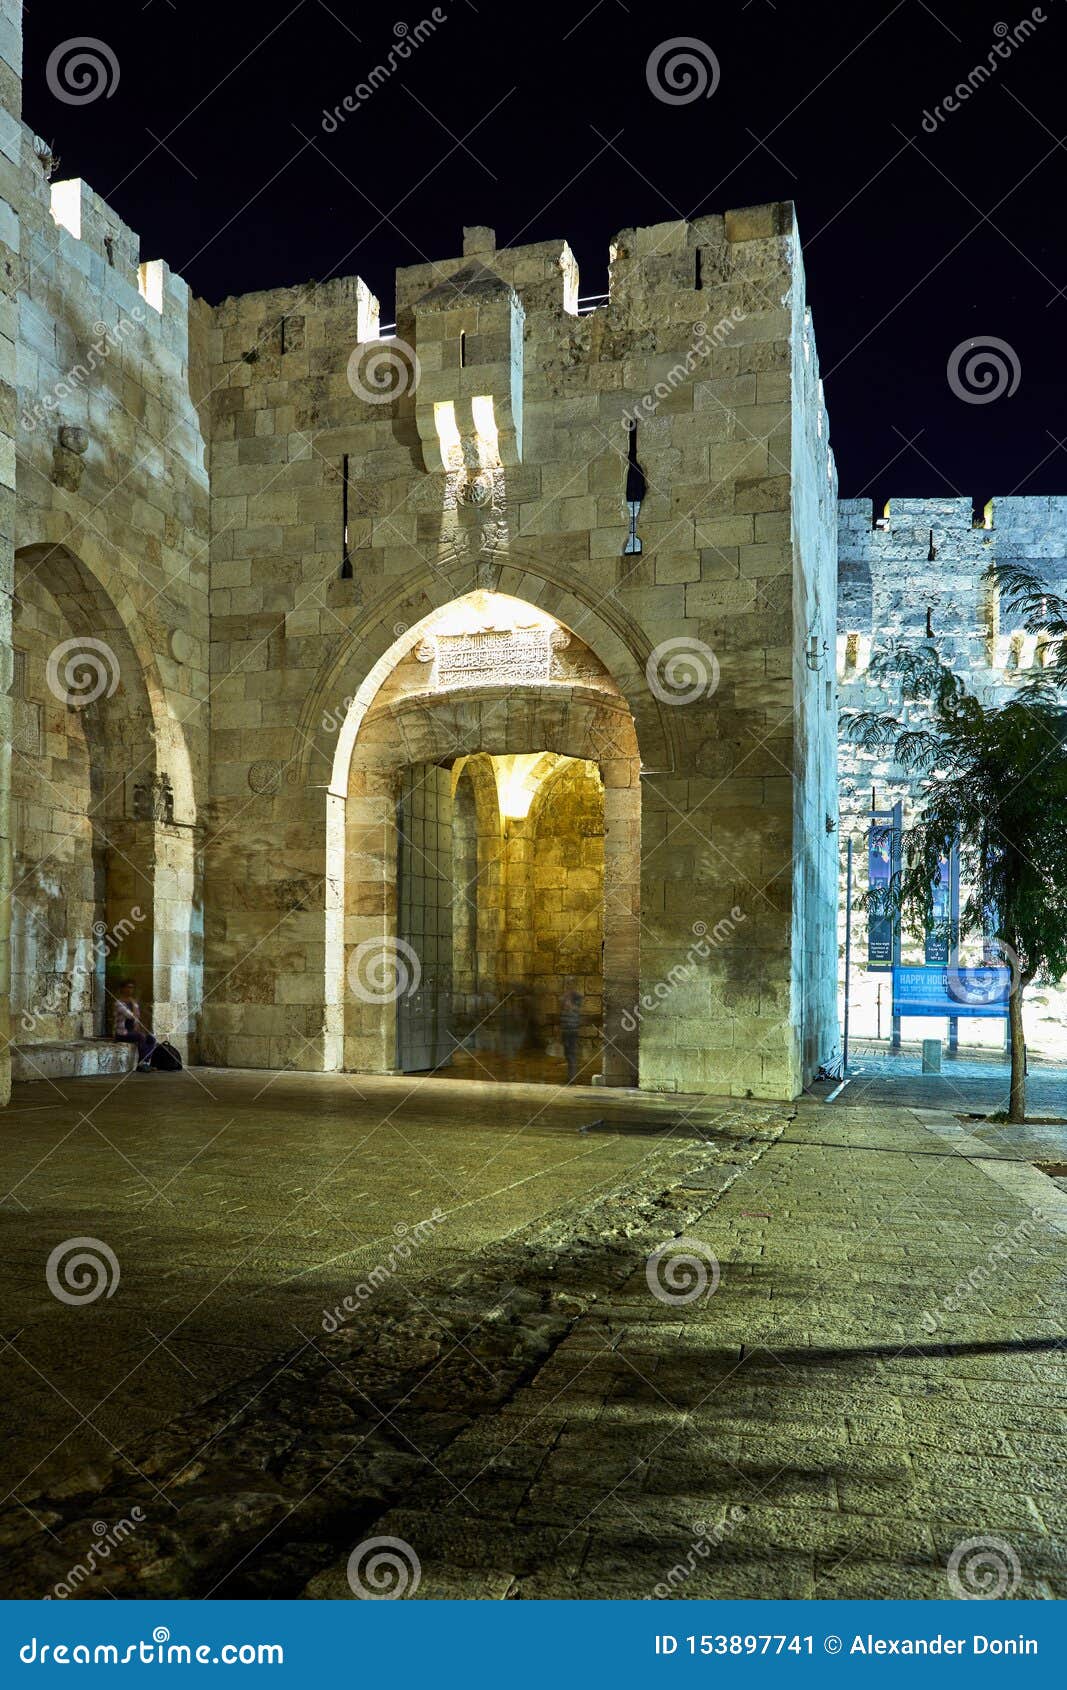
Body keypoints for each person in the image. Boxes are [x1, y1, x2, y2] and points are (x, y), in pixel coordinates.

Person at [112, 980, 157, 1071]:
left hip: (132, 1032)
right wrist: (133, 1004)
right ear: (122, 989)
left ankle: (145, 1062)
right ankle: (141, 1065)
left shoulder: (134, 1003)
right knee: (141, 1037)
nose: (130, 990)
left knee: (151, 1038)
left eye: (132, 988)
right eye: (128, 987)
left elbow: (137, 1019)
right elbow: (131, 1015)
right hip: (121, 1033)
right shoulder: (119, 1003)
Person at [560, 985, 583, 1083]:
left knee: (571, 1055)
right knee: (568, 1055)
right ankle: (571, 1076)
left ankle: (572, 1077)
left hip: (571, 1032)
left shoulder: (574, 1008)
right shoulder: (569, 1006)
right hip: (567, 1032)